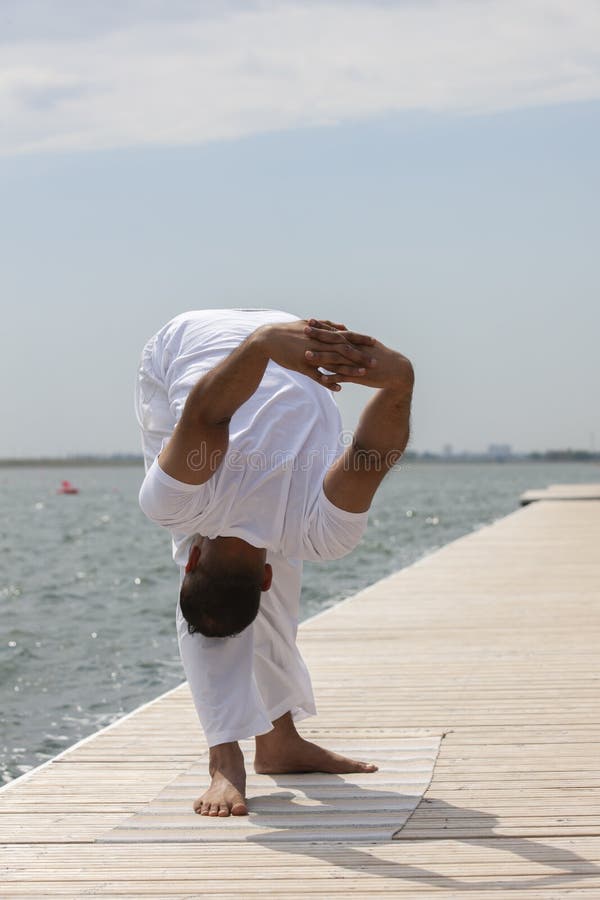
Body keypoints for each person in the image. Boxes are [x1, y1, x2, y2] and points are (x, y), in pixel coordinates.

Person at [135, 309, 413, 818]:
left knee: (227, 564)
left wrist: (398, 383)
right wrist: (264, 343)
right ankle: (275, 741)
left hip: (198, 340)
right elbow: (208, 419)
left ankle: (230, 759)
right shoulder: (183, 507)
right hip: (281, 338)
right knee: (220, 551)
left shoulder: (313, 534)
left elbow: (371, 454)